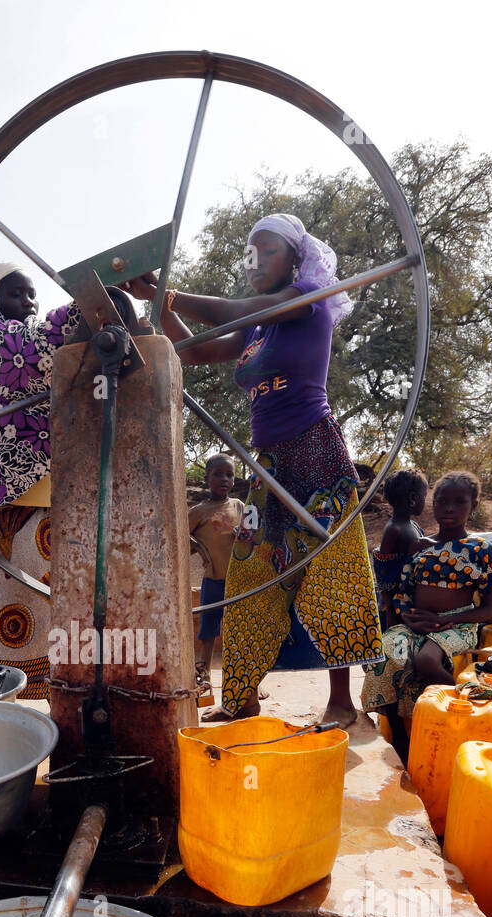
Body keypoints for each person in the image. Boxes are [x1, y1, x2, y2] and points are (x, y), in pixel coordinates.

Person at [125, 212, 382, 727]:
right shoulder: (260, 331)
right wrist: (155, 305)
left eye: (269, 251)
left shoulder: (306, 303)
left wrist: (168, 295)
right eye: (252, 253)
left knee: (330, 572)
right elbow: (194, 350)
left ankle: (341, 704)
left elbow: (238, 309)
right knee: (249, 573)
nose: (257, 262)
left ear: (295, 259)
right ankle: (241, 696)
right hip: (266, 465)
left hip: (314, 453)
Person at [0, 262, 79, 698]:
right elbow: (32, 350)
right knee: (7, 592)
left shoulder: (27, 341)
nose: (29, 303)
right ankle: (8, 694)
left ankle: (55, 690)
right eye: (17, 295)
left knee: (49, 591)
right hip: (1, 500)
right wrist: (86, 306)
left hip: (44, 494)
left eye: (33, 295)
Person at [361, 471, 492, 757]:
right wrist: (408, 617)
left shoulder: (481, 550)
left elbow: (489, 608)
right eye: (442, 501)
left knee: (426, 661)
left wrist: (443, 621)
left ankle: (470, 705)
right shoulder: (420, 546)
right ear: (432, 504)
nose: (449, 508)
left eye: (459, 502)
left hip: (457, 625)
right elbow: (404, 590)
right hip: (417, 624)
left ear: (473, 505)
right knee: (384, 654)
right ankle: (400, 738)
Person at [188, 455, 244, 693]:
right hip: (213, 579)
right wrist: (200, 549)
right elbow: (182, 538)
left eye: (229, 475)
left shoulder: (239, 506)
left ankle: (247, 681)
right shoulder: (198, 512)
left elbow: (251, 537)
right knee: (209, 629)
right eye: (218, 474)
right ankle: (206, 675)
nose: (224, 479)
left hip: (239, 581)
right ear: (207, 478)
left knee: (239, 629)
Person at [373, 469, 429, 628]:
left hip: (409, 599)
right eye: (424, 496)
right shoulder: (394, 529)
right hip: (394, 607)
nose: (425, 501)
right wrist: (389, 610)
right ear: (413, 498)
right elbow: (383, 572)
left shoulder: (412, 525)